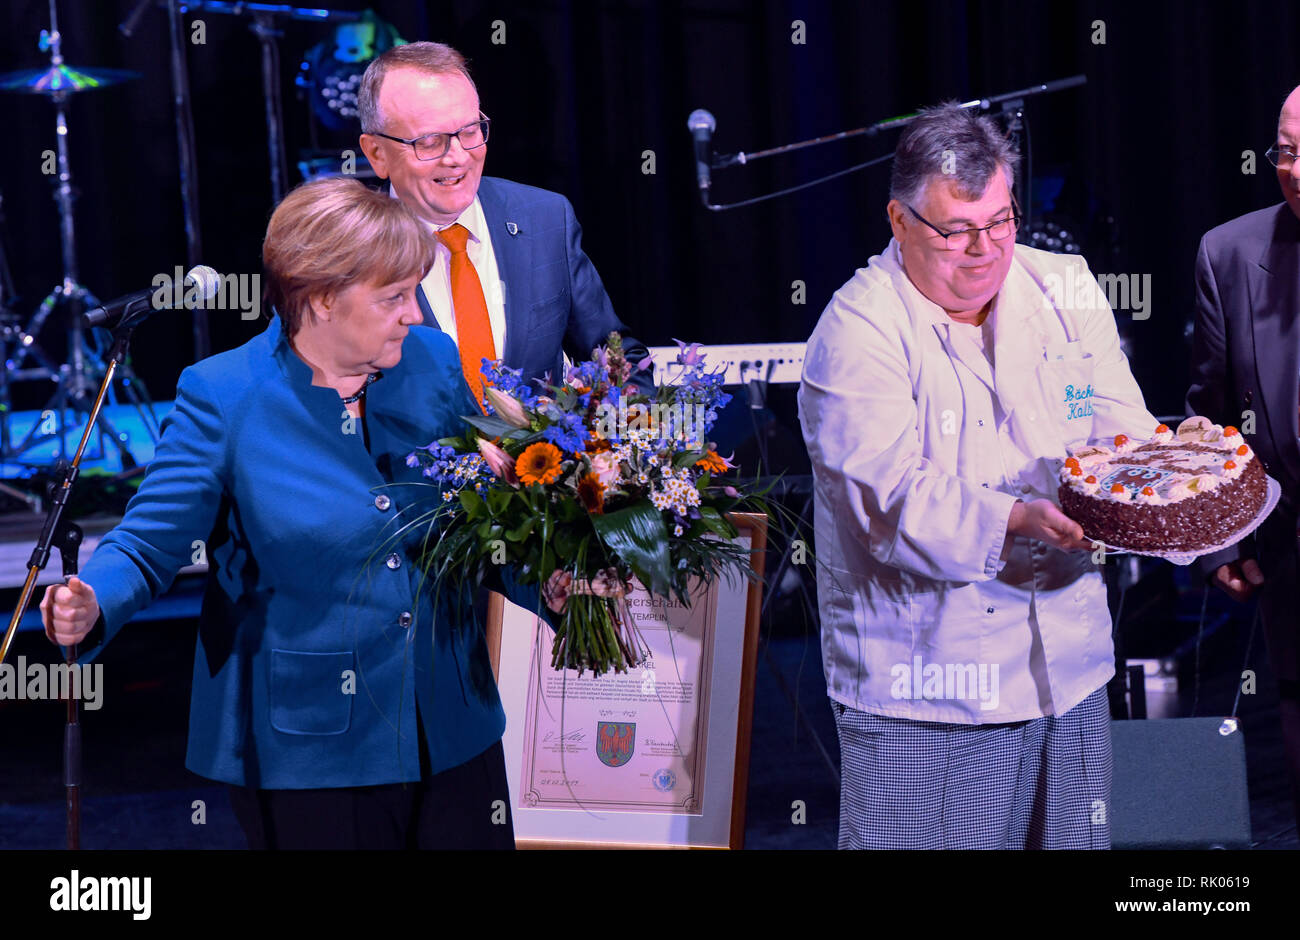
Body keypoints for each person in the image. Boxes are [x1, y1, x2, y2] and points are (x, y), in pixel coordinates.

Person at [40, 177, 545, 850]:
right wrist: (90, 603)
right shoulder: (224, 394)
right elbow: (146, 545)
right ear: (323, 299)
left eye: (413, 292)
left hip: (453, 727)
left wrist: (555, 582)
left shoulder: (432, 362)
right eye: (393, 297)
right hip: (312, 751)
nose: (414, 315)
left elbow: (478, 524)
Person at [798, 103, 1158, 849]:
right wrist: (1015, 519)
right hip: (926, 690)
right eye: (956, 230)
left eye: (999, 221)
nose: (983, 249)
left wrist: (1169, 481)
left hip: (1069, 669)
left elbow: (1122, 428)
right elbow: (886, 498)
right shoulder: (858, 327)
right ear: (899, 221)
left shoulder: (1064, 286)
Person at [356, 41, 651, 403]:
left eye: (469, 131)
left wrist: (633, 429)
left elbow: (617, 360)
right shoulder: (348, 252)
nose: (457, 157)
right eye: (430, 141)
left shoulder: (546, 219)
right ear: (376, 153)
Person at [1186, 83, 1300, 830]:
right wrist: (1220, 541)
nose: (1296, 170)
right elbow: (1209, 421)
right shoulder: (1229, 254)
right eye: (1286, 152)